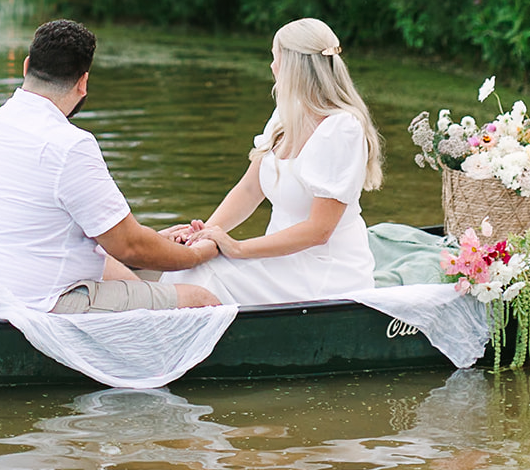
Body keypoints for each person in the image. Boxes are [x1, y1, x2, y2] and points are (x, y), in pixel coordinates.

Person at [0, 19, 221, 313]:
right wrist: (198, 254)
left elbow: (112, 236)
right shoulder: (70, 144)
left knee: (119, 270)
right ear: (83, 83)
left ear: (26, 65)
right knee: (202, 300)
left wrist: (158, 241)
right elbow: (130, 246)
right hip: (39, 301)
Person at [163, 18, 382, 306]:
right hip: (277, 261)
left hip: (323, 274)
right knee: (189, 268)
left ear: (291, 65)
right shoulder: (285, 115)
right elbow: (249, 190)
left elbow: (319, 230)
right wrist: (204, 235)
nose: (272, 66)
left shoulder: (341, 130)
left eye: (275, 57)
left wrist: (237, 248)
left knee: (203, 279)